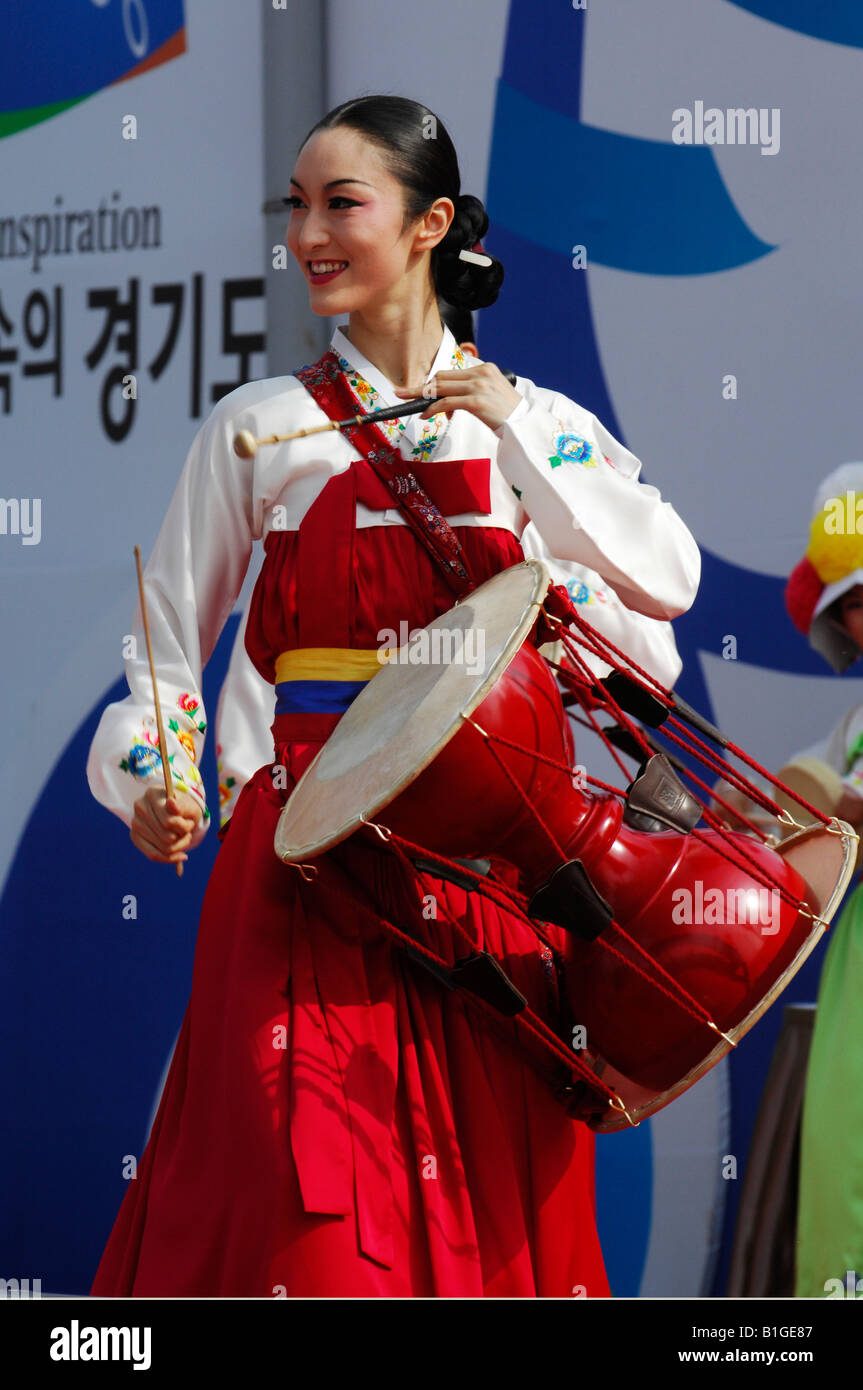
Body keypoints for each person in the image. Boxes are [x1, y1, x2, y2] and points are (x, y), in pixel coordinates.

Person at [86, 94, 700, 1297]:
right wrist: (154, 776)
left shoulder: (533, 425)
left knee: (499, 1194)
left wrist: (515, 429)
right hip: (303, 869)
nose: (307, 233)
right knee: (301, 1201)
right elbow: (164, 646)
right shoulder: (256, 430)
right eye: (295, 208)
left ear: (428, 227)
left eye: (340, 204)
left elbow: (662, 601)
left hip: (489, 870)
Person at [781, 463, 863, 1298]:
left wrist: (832, 802)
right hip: (860, 969)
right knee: (850, 1148)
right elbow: (792, 802)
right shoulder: (854, 724)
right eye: (855, 602)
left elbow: (826, 801)